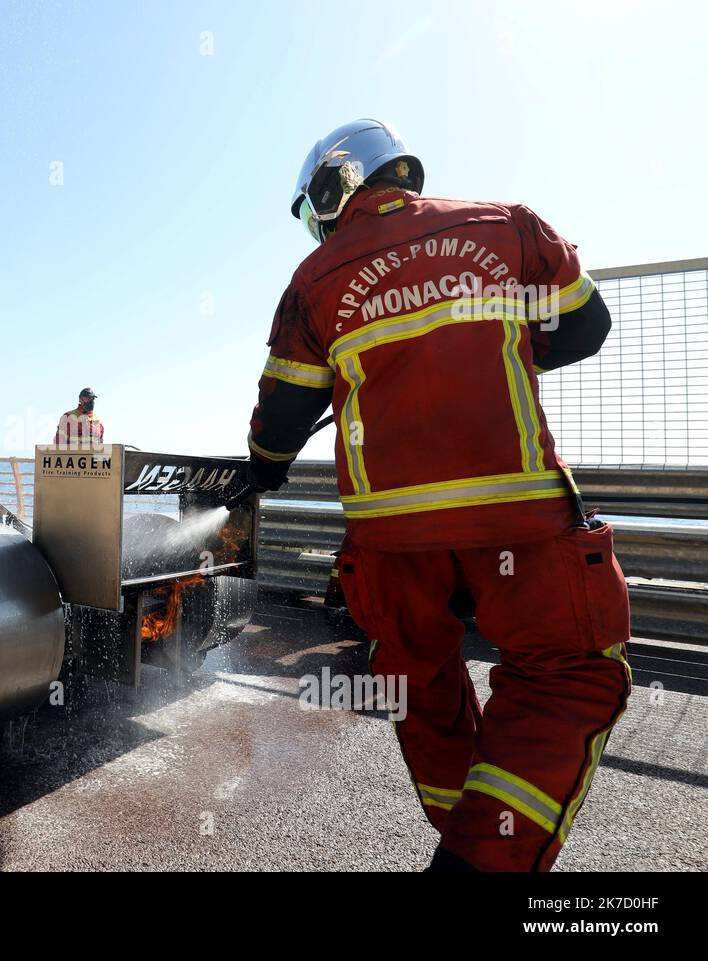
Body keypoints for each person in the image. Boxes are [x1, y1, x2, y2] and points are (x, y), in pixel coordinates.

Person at [246, 119, 628, 872]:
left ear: (333, 188)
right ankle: (481, 852)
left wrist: (263, 467)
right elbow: (587, 325)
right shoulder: (508, 228)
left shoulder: (316, 280)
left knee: (418, 684)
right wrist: (497, 349)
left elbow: (284, 414)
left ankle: (467, 841)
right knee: (569, 674)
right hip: (517, 520)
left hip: (388, 547)